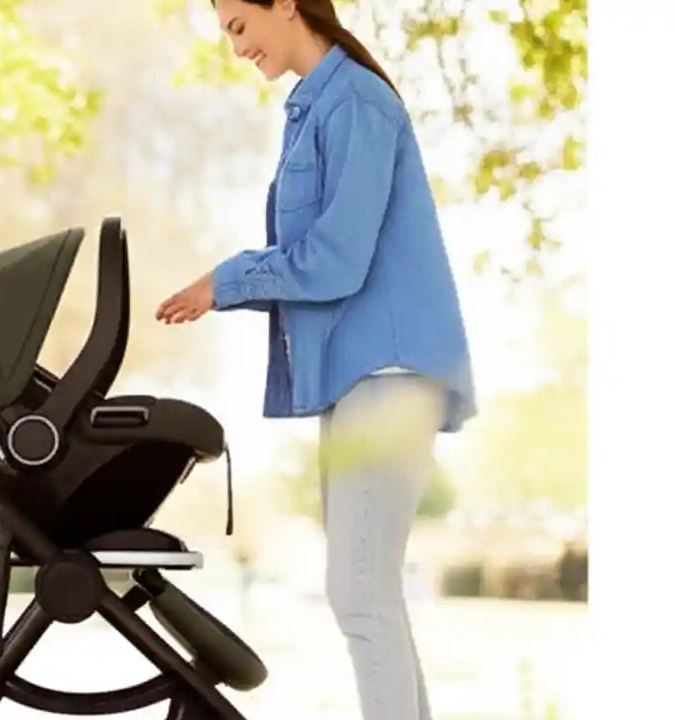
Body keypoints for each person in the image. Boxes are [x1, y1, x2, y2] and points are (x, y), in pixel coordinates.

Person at [154, 1, 476, 718]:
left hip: (390, 371)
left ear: (287, 5)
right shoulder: (318, 107)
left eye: (240, 27)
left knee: (359, 591)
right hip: (361, 378)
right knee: (370, 591)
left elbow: (336, 261)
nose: (236, 50)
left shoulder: (356, 101)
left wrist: (226, 281)